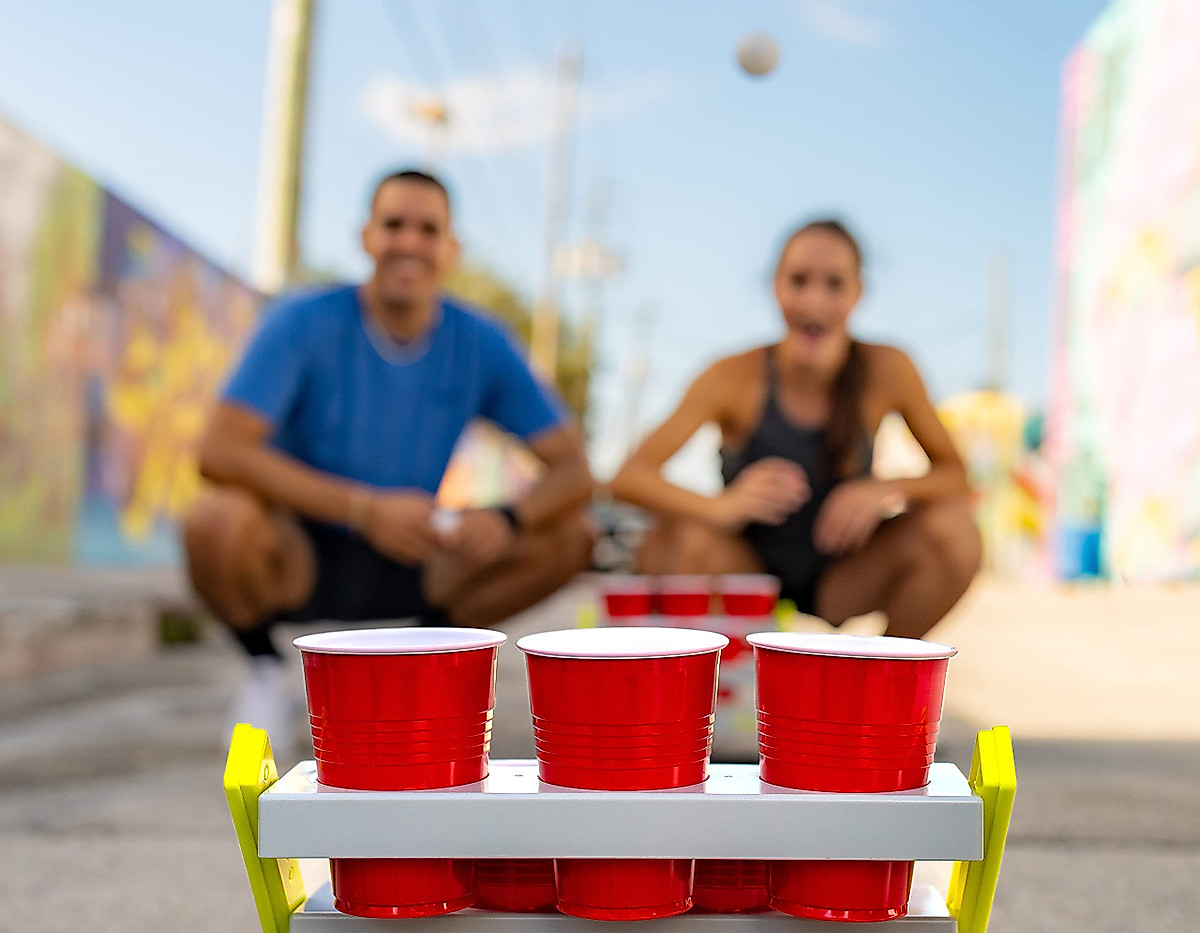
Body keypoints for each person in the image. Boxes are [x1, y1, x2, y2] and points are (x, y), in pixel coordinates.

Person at [185, 168, 594, 745]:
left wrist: (505, 519)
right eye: (393, 224)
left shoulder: (482, 340)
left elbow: (575, 470)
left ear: (451, 249)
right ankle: (266, 669)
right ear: (366, 238)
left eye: (428, 229)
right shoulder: (303, 320)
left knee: (570, 536)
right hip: (299, 548)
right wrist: (362, 508)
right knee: (214, 522)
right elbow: (219, 449)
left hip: (418, 550)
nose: (409, 242)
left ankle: (422, 666)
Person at [611, 218, 979, 639]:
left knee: (955, 532)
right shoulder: (732, 375)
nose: (814, 301)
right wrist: (723, 506)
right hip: (745, 574)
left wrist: (883, 490)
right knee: (672, 536)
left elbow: (956, 476)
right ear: (776, 287)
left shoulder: (889, 370)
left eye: (834, 284)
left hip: (842, 577)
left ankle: (879, 682)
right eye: (799, 281)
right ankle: (714, 675)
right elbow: (628, 478)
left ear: (858, 293)